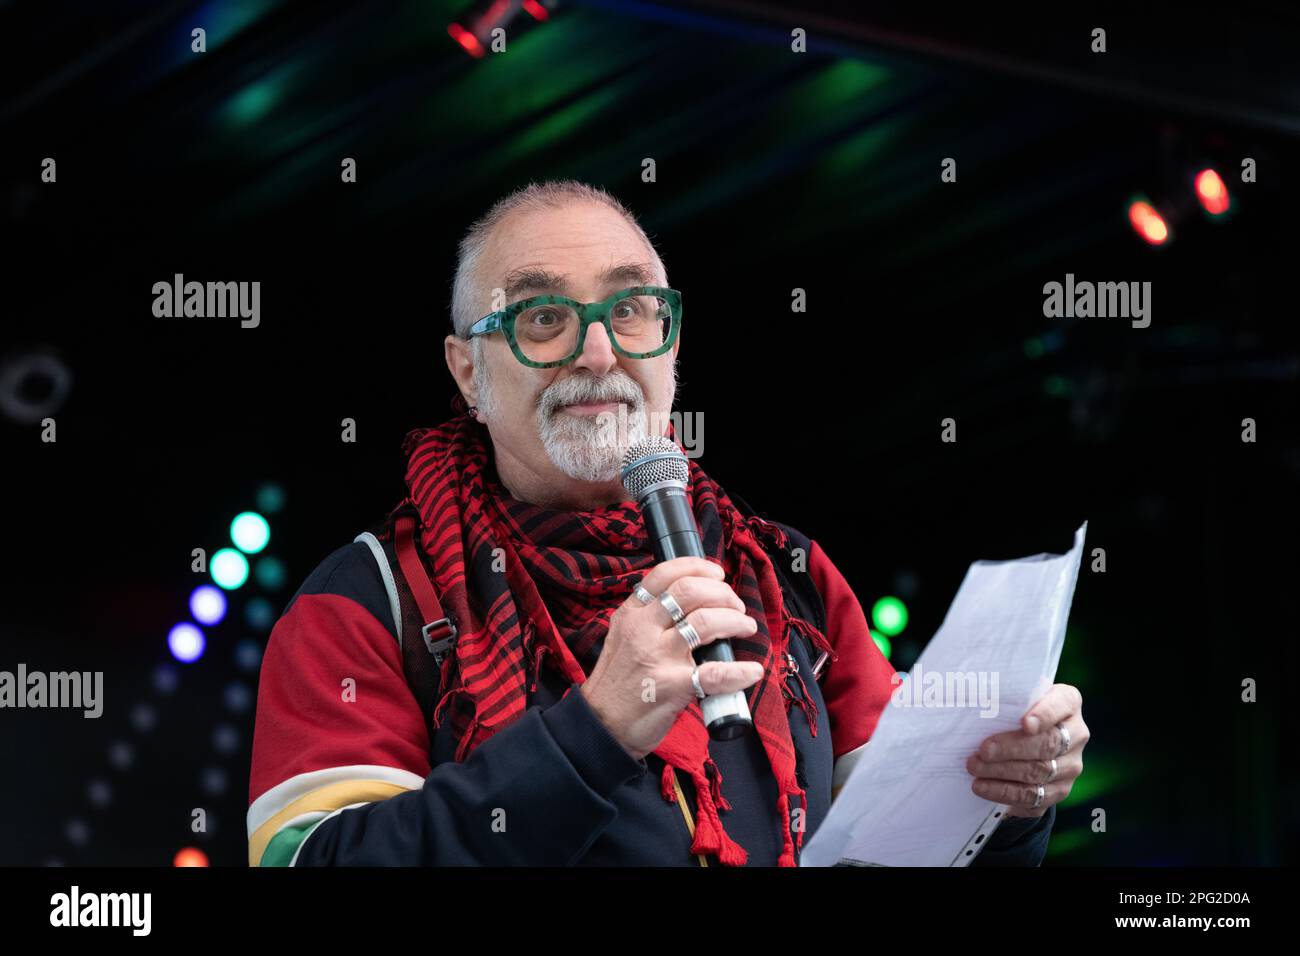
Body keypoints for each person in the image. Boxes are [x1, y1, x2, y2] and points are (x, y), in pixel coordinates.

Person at [247, 180, 1088, 866]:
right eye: (543, 318)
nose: (598, 353)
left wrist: (1007, 798)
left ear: (670, 342)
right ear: (468, 372)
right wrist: (595, 730)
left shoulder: (785, 574)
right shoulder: (370, 600)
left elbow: (908, 848)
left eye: (630, 310)